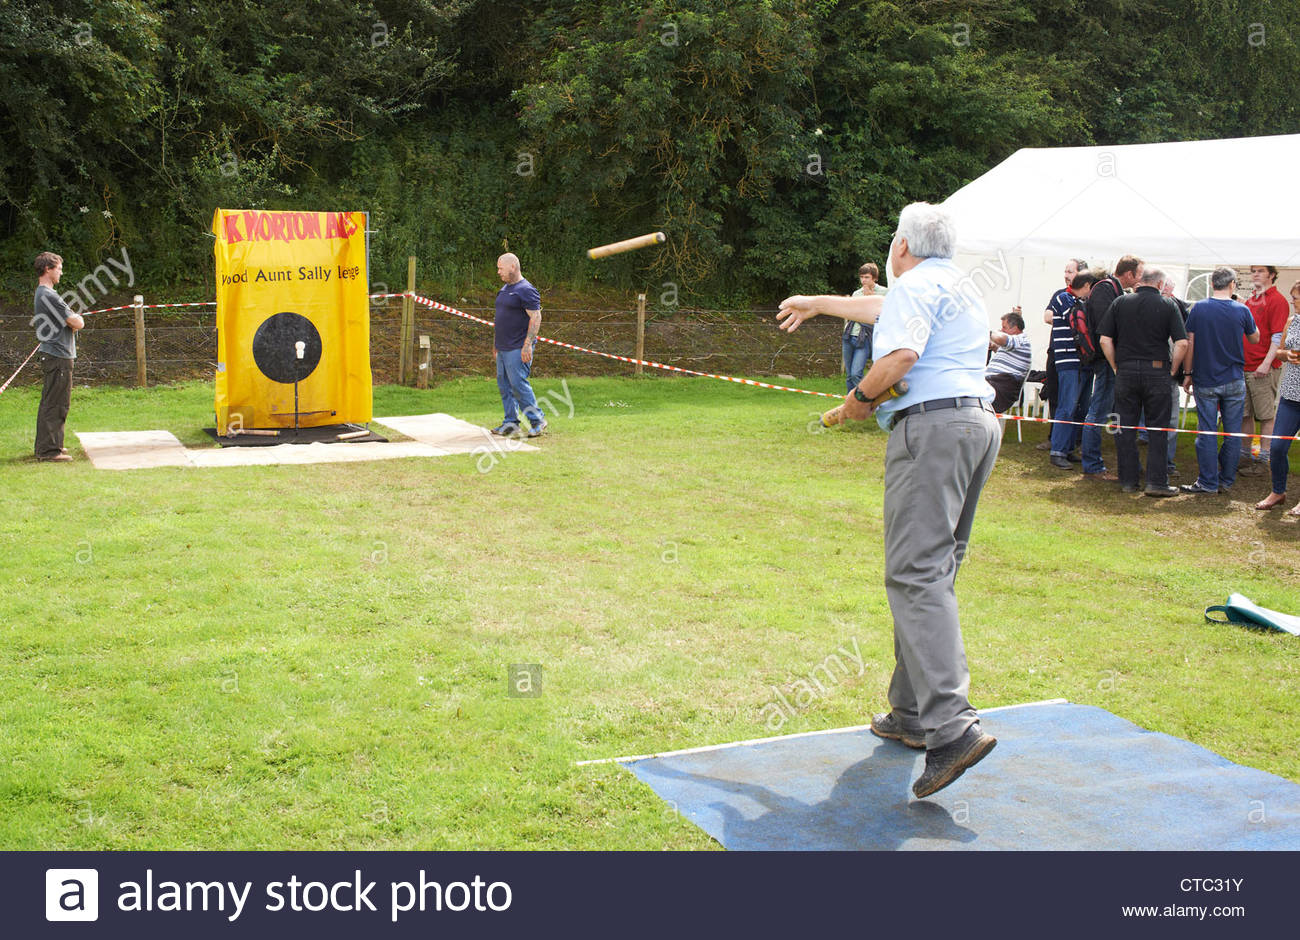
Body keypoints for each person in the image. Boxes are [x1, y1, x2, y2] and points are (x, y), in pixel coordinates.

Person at [777, 202, 999, 799]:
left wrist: (860, 398)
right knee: (931, 571)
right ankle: (910, 711)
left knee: (915, 574)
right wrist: (820, 303)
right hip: (977, 423)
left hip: (932, 429)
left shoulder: (914, 285)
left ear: (902, 247)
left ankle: (950, 728)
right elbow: (883, 309)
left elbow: (899, 355)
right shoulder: (951, 282)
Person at [1097, 267, 1188, 496]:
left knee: (1124, 428)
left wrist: (1116, 366)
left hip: (1126, 371)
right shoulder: (1168, 305)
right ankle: (1156, 482)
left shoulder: (1120, 302)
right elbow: (1182, 343)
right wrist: (1174, 368)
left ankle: (1128, 480)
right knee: (1158, 428)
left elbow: (1105, 340)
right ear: (1160, 284)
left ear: (1141, 282)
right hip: (1157, 372)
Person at [1180, 267, 1259, 494]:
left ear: (1212, 283)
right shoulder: (1242, 310)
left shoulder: (1199, 308)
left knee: (1207, 431)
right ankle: (1225, 480)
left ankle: (1207, 482)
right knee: (1232, 432)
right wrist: (1245, 307)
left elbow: (1190, 343)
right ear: (1232, 284)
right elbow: (1256, 339)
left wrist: (1187, 373)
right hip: (1234, 378)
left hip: (1206, 379)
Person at [1080, 256, 1142, 481]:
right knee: (1097, 412)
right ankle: (1093, 466)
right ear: (1129, 274)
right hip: (1106, 360)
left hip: (1110, 359)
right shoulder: (1106, 290)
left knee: (1110, 412)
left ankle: (1112, 462)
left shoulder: (1111, 289)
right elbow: (1107, 329)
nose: (1141, 278)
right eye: (1140, 273)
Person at [32, 252, 84, 462]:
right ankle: (49, 451)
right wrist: (78, 318)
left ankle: (51, 446)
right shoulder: (49, 295)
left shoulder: (44, 294)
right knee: (56, 403)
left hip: (54, 356)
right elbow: (76, 322)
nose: (61, 272)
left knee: (52, 402)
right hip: (58, 356)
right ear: (48, 269)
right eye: (59, 268)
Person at [1254, 281, 1300, 513]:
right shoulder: (1292, 321)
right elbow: (1280, 351)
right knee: (1278, 448)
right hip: (1290, 395)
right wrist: (1286, 354)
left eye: (1296, 298)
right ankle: (1278, 492)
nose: (1292, 301)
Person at [491, 252, 547, 438]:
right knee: (504, 385)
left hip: (518, 347)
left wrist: (527, 344)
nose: (498, 272)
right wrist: (495, 345)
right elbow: (500, 319)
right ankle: (510, 423)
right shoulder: (505, 289)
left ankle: (537, 420)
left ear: (512, 267)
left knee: (518, 384)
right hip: (503, 347)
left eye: (501, 268)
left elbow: (536, 317)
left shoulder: (526, 289)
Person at [1241, 265, 1288, 473]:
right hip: (1244, 365)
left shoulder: (1277, 300)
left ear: (1271, 274)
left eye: (1260, 270)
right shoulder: (1251, 299)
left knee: (1266, 415)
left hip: (1262, 368)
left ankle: (1264, 459)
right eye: (1253, 271)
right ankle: (1244, 455)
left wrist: (1266, 363)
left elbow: (1278, 336)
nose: (1255, 274)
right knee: (1244, 413)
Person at [1044, 264, 1092, 468]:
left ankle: (1068, 448)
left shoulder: (1075, 300)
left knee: (1080, 407)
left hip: (1079, 361)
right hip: (1068, 360)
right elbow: (1078, 322)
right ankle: (1057, 451)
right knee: (1067, 405)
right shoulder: (1064, 298)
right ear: (1087, 285)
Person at [842, 262, 887, 393]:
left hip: (865, 338)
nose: (863, 280)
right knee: (850, 375)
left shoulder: (884, 292)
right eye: (861, 277)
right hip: (849, 335)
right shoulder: (856, 293)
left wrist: (869, 298)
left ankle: (868, 398)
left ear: (874, 278)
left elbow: (881, 315)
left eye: (867, 277)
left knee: (856, 374)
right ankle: (849, 406)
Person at [985, 310, 1031, 413]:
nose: (1002, 330)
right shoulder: (1015, 343)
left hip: (1002, 388)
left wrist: (987, 332)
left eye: (1004, 327)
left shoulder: (1021, 340)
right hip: (996, 383)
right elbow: (1006, 353)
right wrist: (993, 347)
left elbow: (1000, 338)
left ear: (1014, 329)